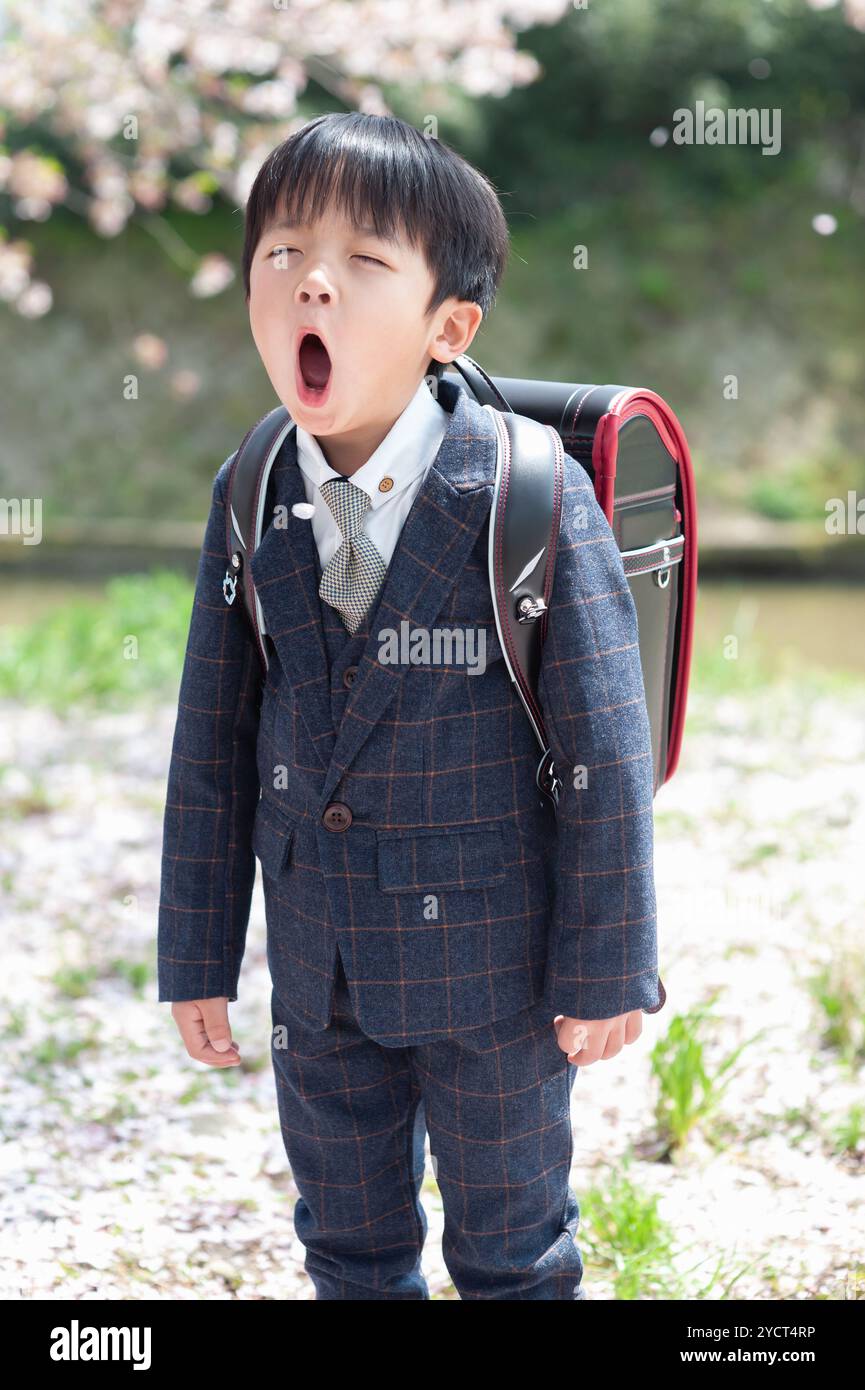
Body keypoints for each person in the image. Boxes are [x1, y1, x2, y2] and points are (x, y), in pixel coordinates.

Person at [157, 111, 665, 1300]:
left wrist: (606, 968)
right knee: (345, 1244)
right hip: (317, 973)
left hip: (499, 976)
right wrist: (197, 951)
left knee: (512, 1247)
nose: (310, 285)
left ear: (449, 326)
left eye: (363, 262)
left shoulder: (524, 493)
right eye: (281, 255)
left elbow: (603, 746)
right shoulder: (253, 484)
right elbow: (212, 746)